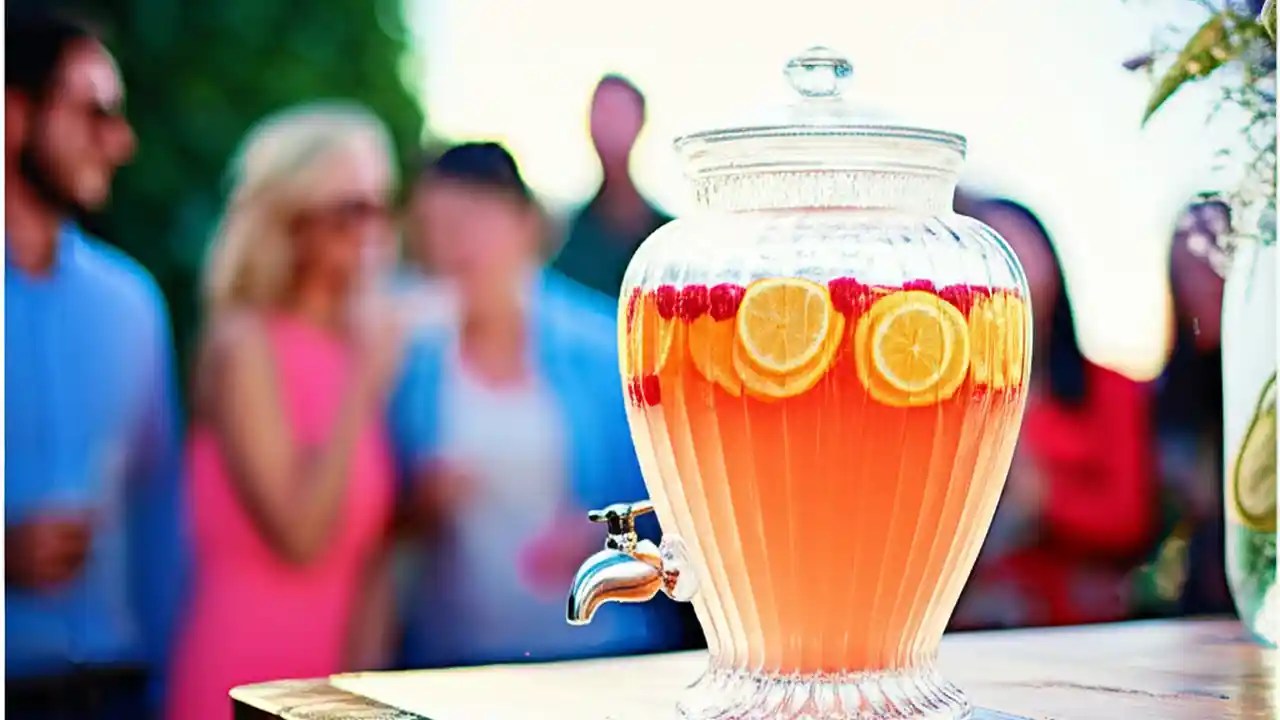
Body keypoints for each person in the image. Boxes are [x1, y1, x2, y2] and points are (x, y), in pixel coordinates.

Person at [391, 142, 697, 668]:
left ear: (524, 225)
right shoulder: (410, 356)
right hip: (455, 665)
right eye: (435, 226)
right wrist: (420, 505)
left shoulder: (606, 342)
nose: (454, 246)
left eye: (471, 222)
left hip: (604, 656)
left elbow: (678, 493)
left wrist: (598, 533)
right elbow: (378, 518)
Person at [165, 103, 402, 720]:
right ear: (291, 219)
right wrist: (362, 384)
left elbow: (371, 554)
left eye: (383, 205)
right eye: (353, 210)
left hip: (332, 693)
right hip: (242, 677)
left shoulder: (358, 344)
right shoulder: (242, 342)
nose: (374, 231)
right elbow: (299, 534)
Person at [5, 10, 187, 719]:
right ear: (13, 113)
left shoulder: (133, 305)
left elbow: (157, 519)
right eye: (95, 112)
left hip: (119, 692)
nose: (121, 140)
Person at [952, 197, 1158, 629]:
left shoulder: (1110, 390)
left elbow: (1129, 518)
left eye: (1013, 250)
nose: (1000, 272)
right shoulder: (947, 399)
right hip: (973, 630)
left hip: (1081, 630)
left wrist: (1045, 500)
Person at [1149, 199, 1232, 616]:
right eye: (1186, 267)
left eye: (1215, 256)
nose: (1201, 278)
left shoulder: (1258, 376)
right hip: (1202, 594)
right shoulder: (1170, 389)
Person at [550, 74, 671, 299]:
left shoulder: (668, 240)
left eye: (619, 114)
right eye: (601, 113)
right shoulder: (563, 239)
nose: (609, 126)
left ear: (640, 122)